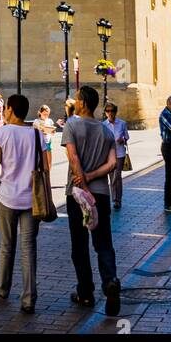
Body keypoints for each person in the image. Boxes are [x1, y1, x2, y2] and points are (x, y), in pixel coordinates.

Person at [62, 85, 121, 316]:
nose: (75, 102)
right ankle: (110, 281)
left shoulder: (72, 125)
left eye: (77, 99)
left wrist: (83, 183)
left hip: (77, 194)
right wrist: (93, 177)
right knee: (103, 242)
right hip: (101, 195)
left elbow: (73, 157)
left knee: (79, 245)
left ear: (83, 103)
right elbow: (112, 163)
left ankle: (85, 292)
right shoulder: (106, 130)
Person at [0, 92, 40, 313]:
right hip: (31, 199)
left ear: (9, 109)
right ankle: (29, 298)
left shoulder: (1, 133)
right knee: (29, 248)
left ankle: (2, 286)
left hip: (7, 197)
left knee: (6, 245)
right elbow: (43, 168)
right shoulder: (36, 135)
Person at [103, 102, 129, 210]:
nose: (110, 113)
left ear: (115, 112)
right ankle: (114, 198)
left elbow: (126, 137)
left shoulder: (122, 123)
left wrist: (122, 139)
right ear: (105, 113)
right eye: (108, 111)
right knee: (111, 177)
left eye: (112, 111)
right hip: (108, 155)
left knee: (117, 177)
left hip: (120, 153)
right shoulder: (103, 125)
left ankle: (118, 200)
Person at [33, 104, 55, 172]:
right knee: (40, 160)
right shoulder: (36, 121)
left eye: (47, 114)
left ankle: (48, 172)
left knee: (49, 160)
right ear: (40, 113)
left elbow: (53, 132)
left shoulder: (50, 121)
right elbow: (33, 132)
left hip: (47, 141)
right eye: (44, 114)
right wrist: (41, 131)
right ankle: (40, 173)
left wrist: (52, 131)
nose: (46, 116)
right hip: (39, 143)